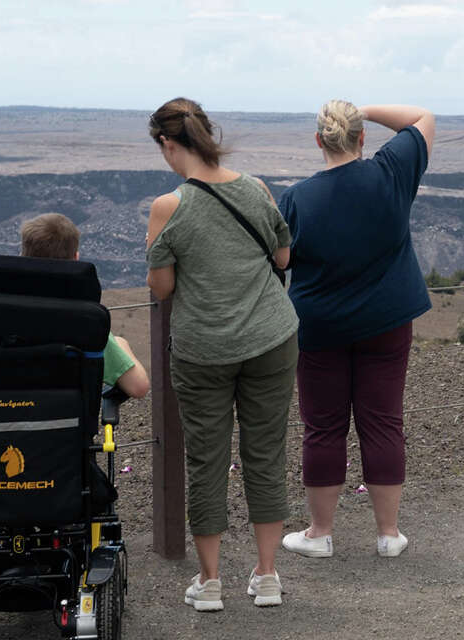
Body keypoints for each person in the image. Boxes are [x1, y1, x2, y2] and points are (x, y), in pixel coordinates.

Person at [145, 97, 299, 610]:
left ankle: (210, 582)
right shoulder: (255, 189)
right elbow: (282, 255)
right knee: (265, 454)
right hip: (271, 340)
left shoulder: (169, 207)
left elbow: (163, 288)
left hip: (203, 350)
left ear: (169, 145)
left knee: (206, 461)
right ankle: (268, 574)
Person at [277, 101, 435, 561]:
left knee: (322, 427)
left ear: (318, 141)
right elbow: (422, 118)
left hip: (320, 327)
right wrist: (363, 108)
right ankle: (388, 534)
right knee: (383, 421)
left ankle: (320, 534)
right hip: (387, 322)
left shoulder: (297, 199)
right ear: (362, 137)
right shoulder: (390, 173)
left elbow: (280, 264)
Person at [0, 213, 150, 399]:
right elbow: (139, 387)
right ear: (76, 258)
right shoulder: (85, 321)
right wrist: (121, 345)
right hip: (60, 440)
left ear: (22, 255)